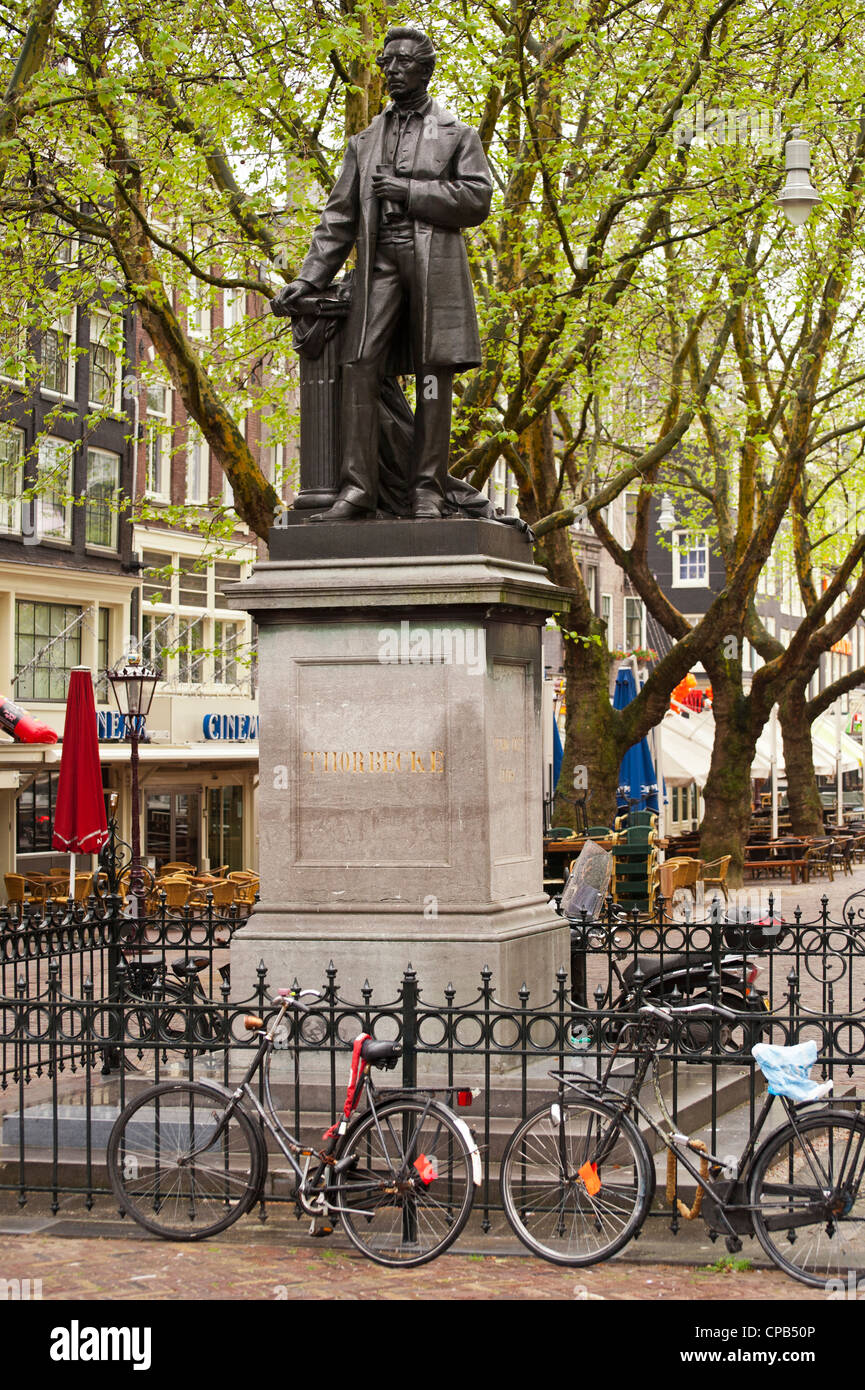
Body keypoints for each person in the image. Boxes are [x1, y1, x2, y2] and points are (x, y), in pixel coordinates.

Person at [272, 25, 492, 520]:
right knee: (359, 364)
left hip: (435, 265)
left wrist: (409, 192)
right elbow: (339, 217)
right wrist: (308, 279)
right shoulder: (364, 140)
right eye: (386, 61)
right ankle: (358, 489)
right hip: (380, 263)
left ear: (426, 68)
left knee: (434, 375)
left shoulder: (459, 134)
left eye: (402, 62)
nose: (390, 70)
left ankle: (428, 490)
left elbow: (477, 199)